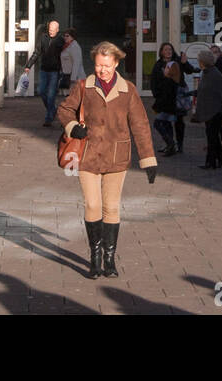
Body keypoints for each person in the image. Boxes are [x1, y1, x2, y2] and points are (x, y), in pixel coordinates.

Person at [57, 41, 157, 280]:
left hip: (117, 156)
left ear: (116, 63)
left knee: (111, 208)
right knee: (93, 205)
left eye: (107, 65)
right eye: (98, 65)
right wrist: (73, 127)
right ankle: (94, 257)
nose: (102, 70)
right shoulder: (84, 86)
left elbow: (140, 125)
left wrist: (148, 159)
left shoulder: (128, 90)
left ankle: (109, 259)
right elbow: (64, 109)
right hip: (88, 155)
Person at [150, 41, 195, 156]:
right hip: (165, 98)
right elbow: (154, 81)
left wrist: (185, 64)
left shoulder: (178, 61)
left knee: (179, 122)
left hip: (178, 97)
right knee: (164, 122)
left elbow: (190, 70)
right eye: (165, 50)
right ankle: (170, 144)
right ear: (161, 52)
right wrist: (157, 94)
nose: (168, 52)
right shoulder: (159, 64)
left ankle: (179, 145)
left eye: (170, 49)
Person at [193, 47, 222, 170]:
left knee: (212, 137)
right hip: (210, 109)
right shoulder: (207, 73)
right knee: (213, 136)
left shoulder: (213, 74)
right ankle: (221, 159)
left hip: (214, 111)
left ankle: (211, 162)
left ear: (203, 62)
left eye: (199, 60)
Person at [28, 19, 65, 127]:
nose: (51, 32)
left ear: (58, 30)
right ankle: (52, 110)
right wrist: (28, 65)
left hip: (54, 71)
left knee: (51, 95)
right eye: (50, 29)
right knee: (41, 91)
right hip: (44, 69)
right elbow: (37, 52)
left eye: (53, 30)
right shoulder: (43, 38)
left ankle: (49, 117)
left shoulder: (60, 40)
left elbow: (65, 55)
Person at [59, 28, 84, 97]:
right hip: (66, 76)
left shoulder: (74, 46)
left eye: (67, 36)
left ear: (73, 37)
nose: (65, 37)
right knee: (67, 98)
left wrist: (73, 78)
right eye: (64, 36)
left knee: (74, 99)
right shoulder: (66, 46)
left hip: (75, 77)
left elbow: (77, 63)